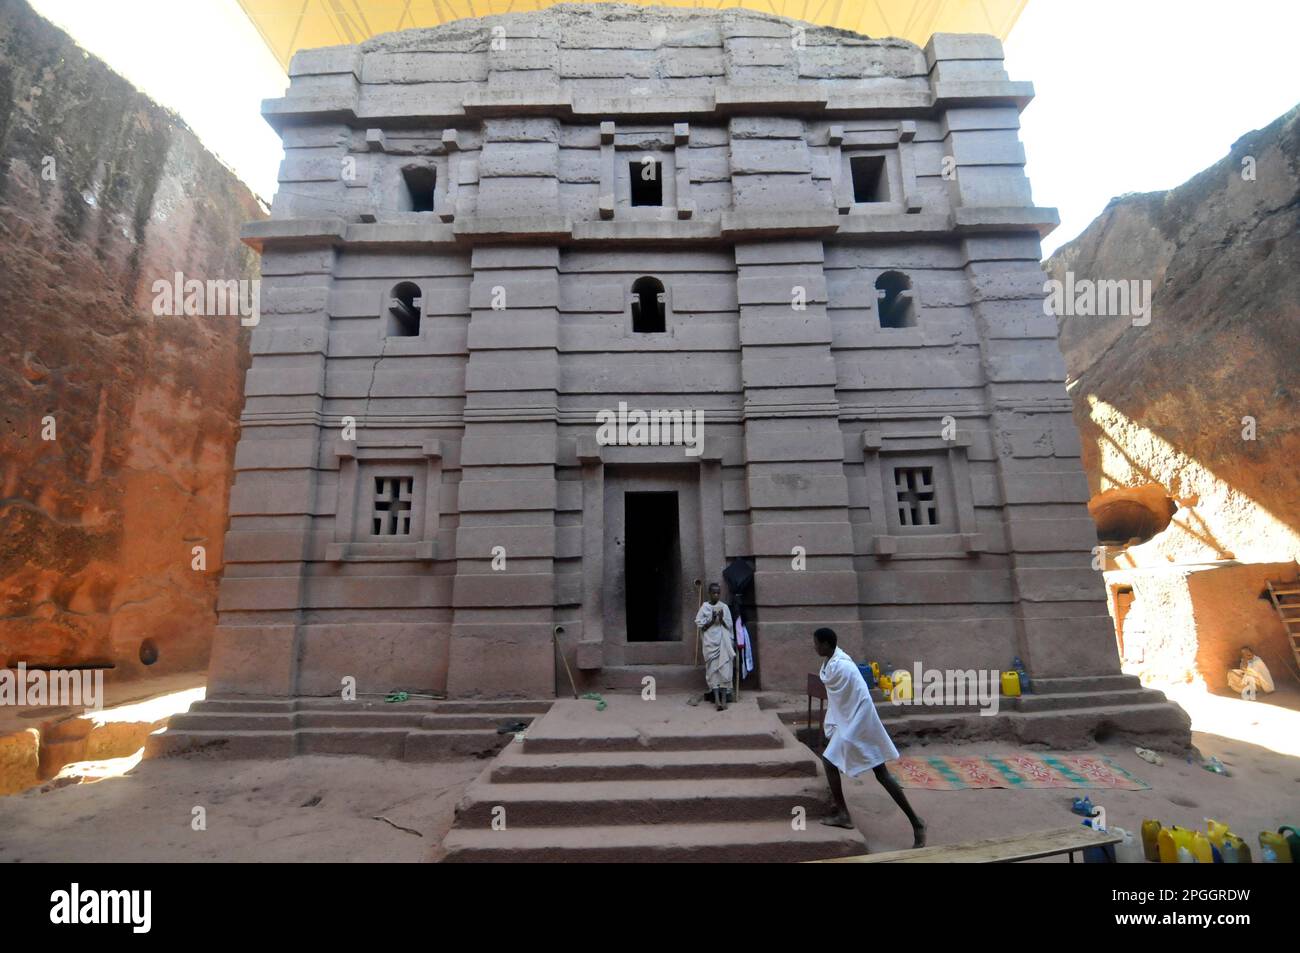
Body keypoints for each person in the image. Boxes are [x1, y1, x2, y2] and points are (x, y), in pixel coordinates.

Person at [813, 626, 925, 848]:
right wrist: (838, 725)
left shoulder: (843, 667)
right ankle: (844, 813)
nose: (814, 647)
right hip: (849, 724)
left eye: (816, 643)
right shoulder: (830, 666)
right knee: (836, 762)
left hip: (861, 724)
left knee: (880, 773)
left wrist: (852, 731)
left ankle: (916, 822)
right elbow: (840, 700)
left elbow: (863, 699)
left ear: (826, 645)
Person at [695, 583, 735, 711]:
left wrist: (722, 619)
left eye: (718, 593)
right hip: (710, 644)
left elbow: (729, 627)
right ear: (709, 593)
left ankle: (724, 700)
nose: (716, 595)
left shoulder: (724, 607)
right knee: (713, 671)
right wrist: (712, 620)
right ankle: (717, 700)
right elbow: (702, 627)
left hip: (723, 642)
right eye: (714, 593)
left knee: (724, 669)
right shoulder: (704, 607)